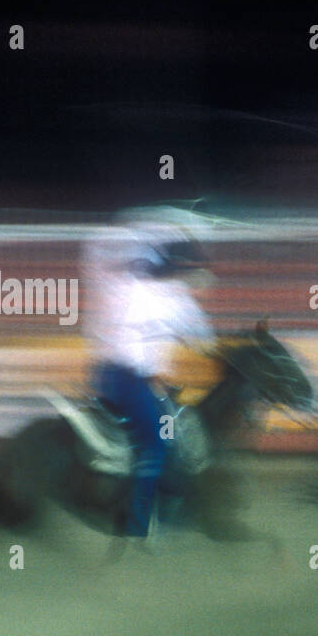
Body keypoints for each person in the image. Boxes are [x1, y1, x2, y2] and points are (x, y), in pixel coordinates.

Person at [84, 218, 218, 537]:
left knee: (182, 434)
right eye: (187, 268)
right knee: (157, 443)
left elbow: (205, 341)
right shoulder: (138, 291)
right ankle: (137, 522)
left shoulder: (175, 296)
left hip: (143, 379)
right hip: (123, 376)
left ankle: (170, 502)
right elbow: (129, 345)